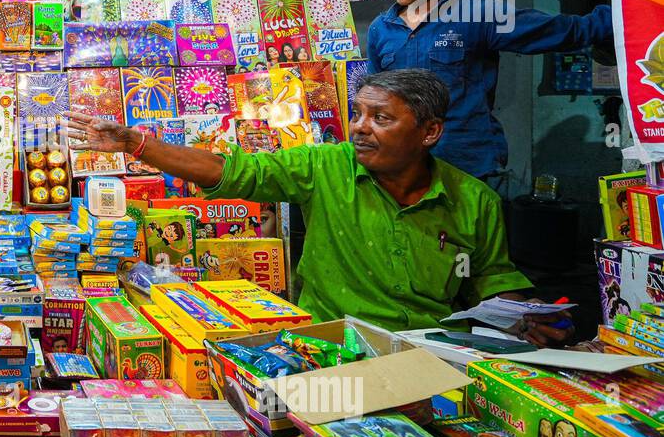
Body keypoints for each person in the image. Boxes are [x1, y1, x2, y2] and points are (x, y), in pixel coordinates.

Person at [64, 69, 572, 344]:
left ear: (429, 132)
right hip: (333, 349)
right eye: (358, 114)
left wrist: (529, 319)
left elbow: (495, 279)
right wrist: (135, 143)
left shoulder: (474, 200)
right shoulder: (326, 167)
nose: (359, 128)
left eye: (380, 118)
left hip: (436, 353)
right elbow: (234, 171)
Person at [368, 0, 613, 185]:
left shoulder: (477, 15)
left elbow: (557, 31)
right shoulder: (380, 30)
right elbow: (374, 101)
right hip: (401, 164)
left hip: (465, 162)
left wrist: (619, 17)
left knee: (470, 227)